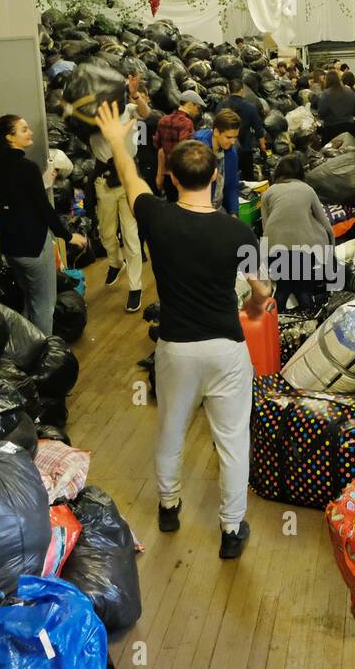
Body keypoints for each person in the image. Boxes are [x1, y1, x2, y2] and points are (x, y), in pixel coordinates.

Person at [95, 100, 270, 559]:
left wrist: (117, 138)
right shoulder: (237, 232)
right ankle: (232, 530)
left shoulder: (156, 217)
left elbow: (130, 179)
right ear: (216, 176)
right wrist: (253, 304)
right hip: (226, 348)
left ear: (171, 178)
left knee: (171, 429)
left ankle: (169, 505)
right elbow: (263, 291)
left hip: (175, 347)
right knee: (233, 440)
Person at [0, 114, 86, 336]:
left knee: (29, 301)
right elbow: (43, 209)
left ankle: (27, 346)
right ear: (10, 137)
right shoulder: (26, 167)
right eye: (24, 129)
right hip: (33, 244)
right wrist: (68, 236)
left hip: (11, 246)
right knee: (44, 305)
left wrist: (41, 182)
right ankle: (45, 355)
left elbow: (20, 200)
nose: (30, 133)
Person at [89, 71, 150, 312]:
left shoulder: (129, 109)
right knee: (106, 234)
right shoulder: (93, 117)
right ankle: (115, 262)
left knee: (132, 236)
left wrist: (135, 94)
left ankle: (135, 287)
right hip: (104, 181)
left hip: (127, 179)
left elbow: (147, 113)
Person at [260, 153, 334, 313]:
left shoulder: (268, 192)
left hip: (275, 251)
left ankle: (275, 322)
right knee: (302, 289)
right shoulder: (307, 190)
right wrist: (330, 249)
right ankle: (309, 317)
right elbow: (325, 222)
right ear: (301, 173)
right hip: (304, 251)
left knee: (283, 288)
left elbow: (266, 227)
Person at [153, 90, 204, 202]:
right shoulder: (187, 123)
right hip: (182, 176)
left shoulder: (163, 120)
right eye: (197, 107)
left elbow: (159, 147)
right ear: (190, 104)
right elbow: (184, 151)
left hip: (167, 175)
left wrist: (160, 174)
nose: (198, 111)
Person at [191, 108, 243, 215]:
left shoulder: (231, 153)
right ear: (216, 132)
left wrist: (234, 212)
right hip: (197, 209)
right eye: (228, 137)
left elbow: (232, 186)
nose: (233, 141)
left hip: (218, 208)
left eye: (235, 137)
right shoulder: (198, 146)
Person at [219, 78, 266, 179]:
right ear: (241, 90)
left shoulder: (222, 105)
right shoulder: (249, 107)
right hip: (245, 150)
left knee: (229, 177)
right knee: (248, 177)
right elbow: (259, 129)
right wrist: (263, 146)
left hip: (226, 149)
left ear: (228, 90)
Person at [315, 70, 355, 142]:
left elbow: (321, 114)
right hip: (350, 127)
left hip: (331, 129)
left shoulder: (325, 94)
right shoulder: (349, 91)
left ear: (327, 80)